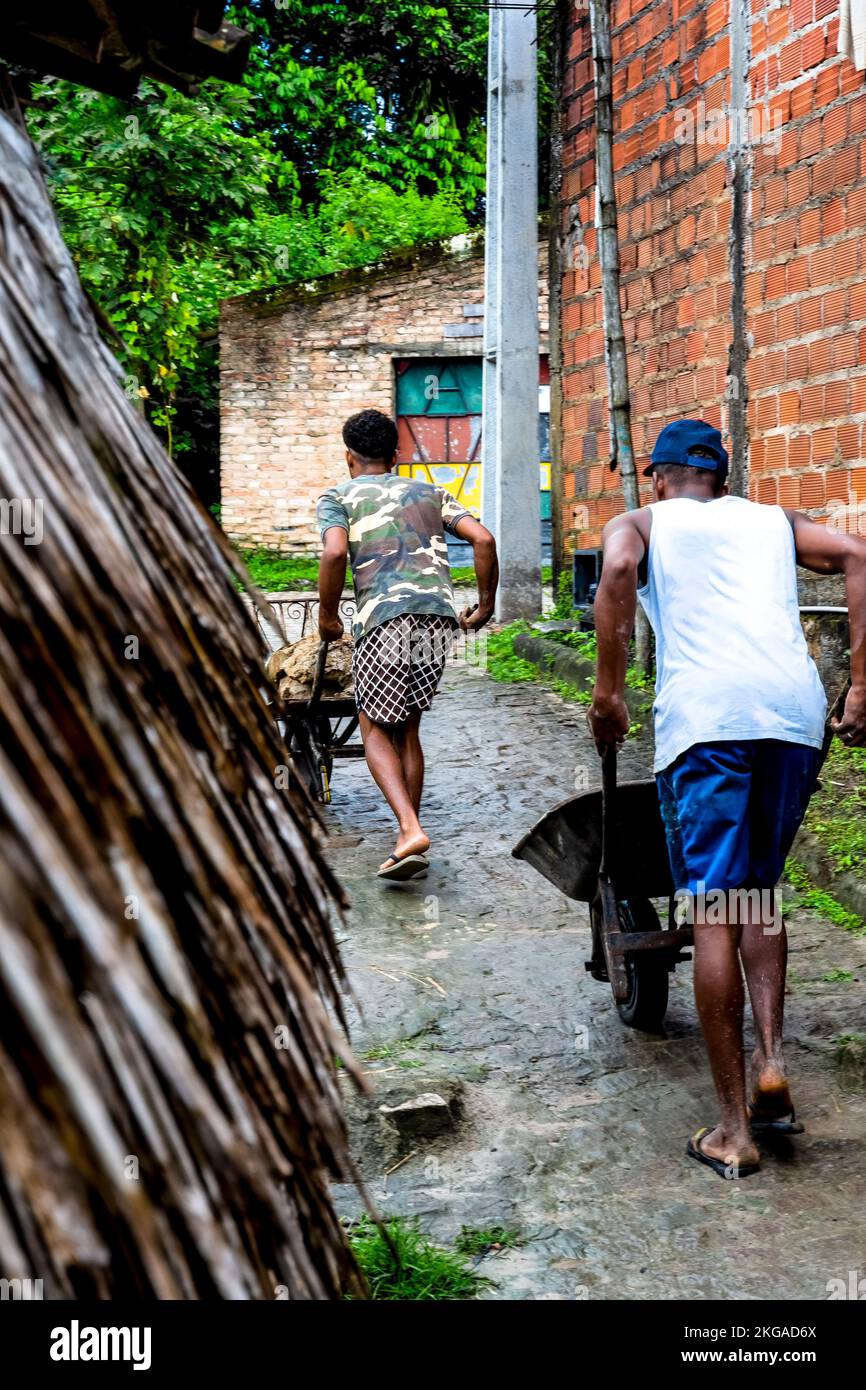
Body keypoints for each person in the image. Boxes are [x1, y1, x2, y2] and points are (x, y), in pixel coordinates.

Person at [588, 418, 866, 1179]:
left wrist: (609, 694)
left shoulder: (641, 521)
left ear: (657, 476)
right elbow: (861, 557)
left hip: (708, 722)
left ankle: (734, 1129)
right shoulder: (774, 523)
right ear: (721, 476)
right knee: (758, 896)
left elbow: (616, 574)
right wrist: (862, 684)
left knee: (713, 910)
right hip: (790, 718)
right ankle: (772, 1067)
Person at [316, 408, 498, 880]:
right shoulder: (429, 492)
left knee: (374, 727)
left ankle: (410, 828)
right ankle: (407, 838)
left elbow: (335, 552)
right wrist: (484, 606)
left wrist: (328, 617)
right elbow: (483, 539)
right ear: (395, 454)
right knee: (408, 729)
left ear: (348, 456)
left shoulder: (338, 496)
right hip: (437, 619)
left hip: (384, 620)